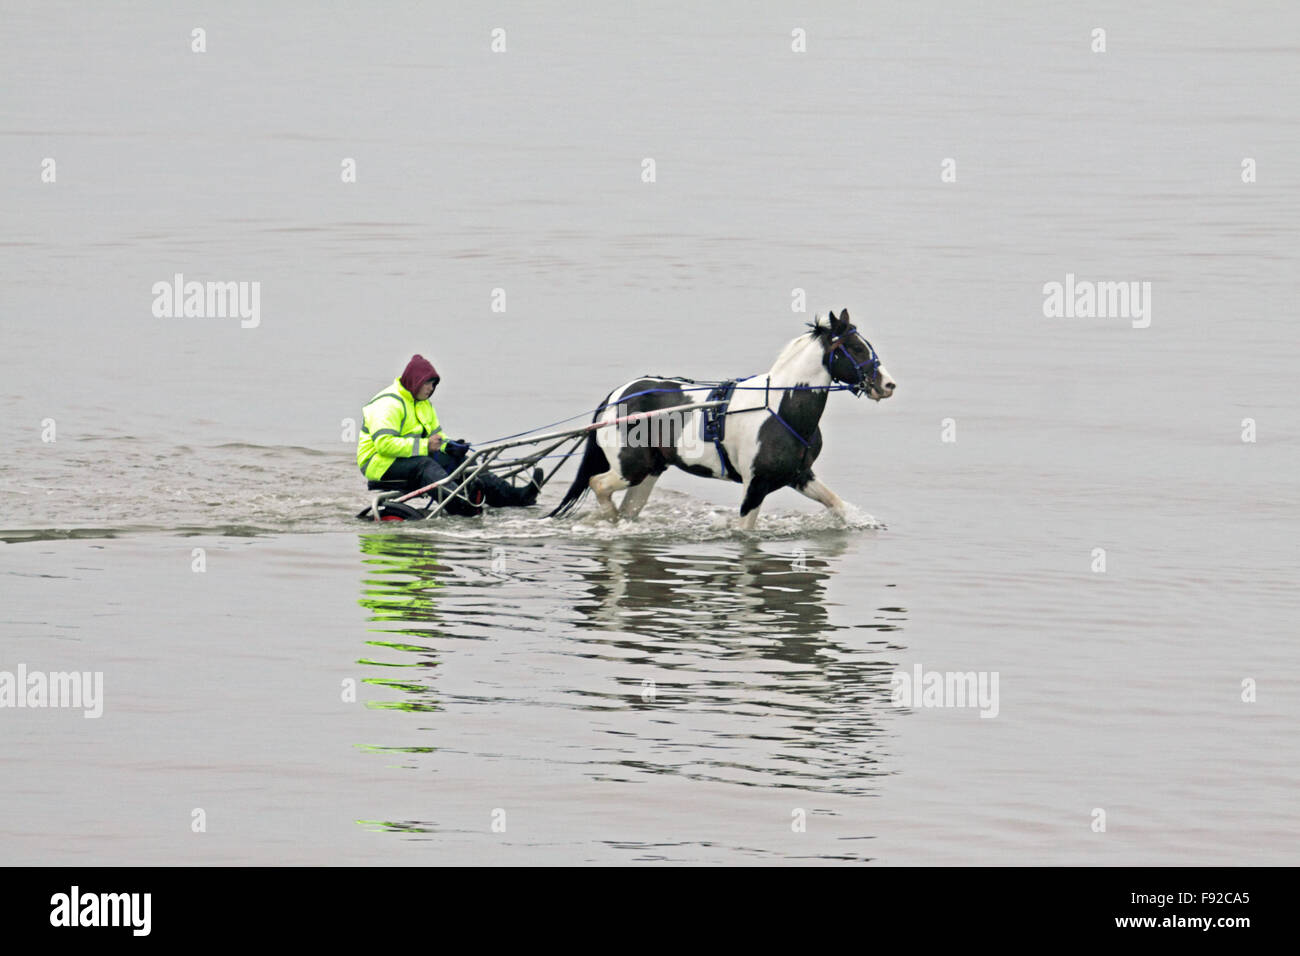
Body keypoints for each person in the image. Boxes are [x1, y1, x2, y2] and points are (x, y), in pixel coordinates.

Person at [356, 354, 541, 509]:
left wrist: (449, 447)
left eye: (433, 384)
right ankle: (460, 504)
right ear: (414, 381)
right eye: (427, 384)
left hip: (408, 456)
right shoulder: (388, 404)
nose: (431, 388)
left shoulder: (423, 404)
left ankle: (514, 497)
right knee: (425, 466)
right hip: (377, 463)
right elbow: (384, 445)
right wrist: (426, 446)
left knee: (463, 461)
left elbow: (437, 438)